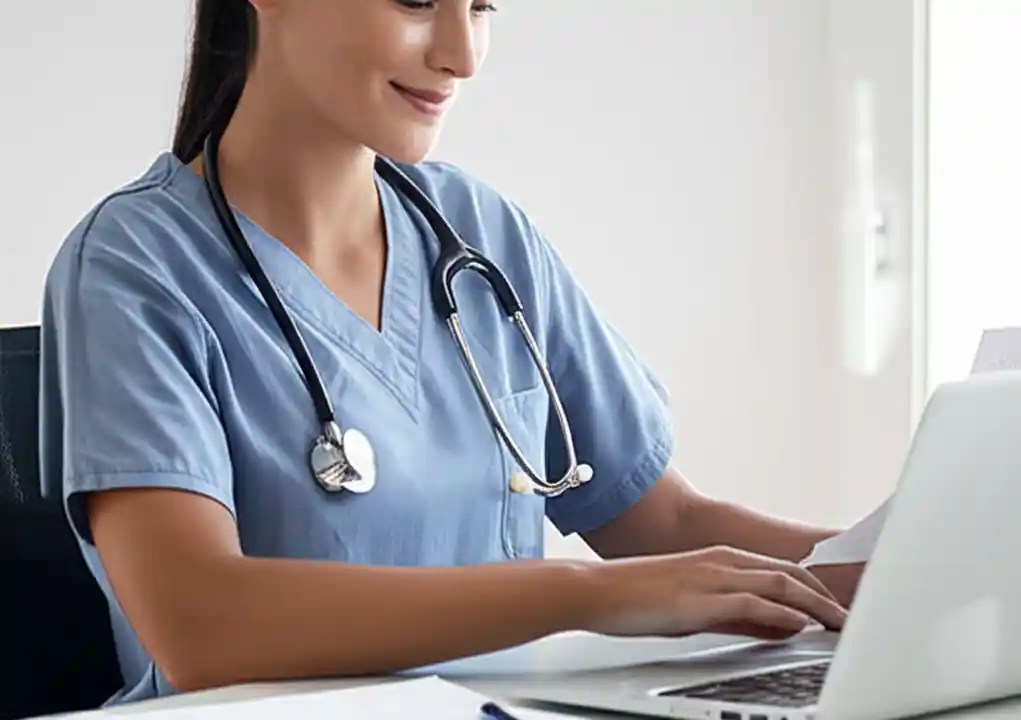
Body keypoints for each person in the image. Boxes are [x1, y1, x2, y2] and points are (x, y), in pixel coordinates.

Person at [39, 0, 864, 705]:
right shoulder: (133, 268)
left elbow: (665, 524)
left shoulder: (478, 231)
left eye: (483, 8)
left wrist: (901, 566)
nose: (462, 54)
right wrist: (582, 595)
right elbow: (200, 625)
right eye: (417, 1)